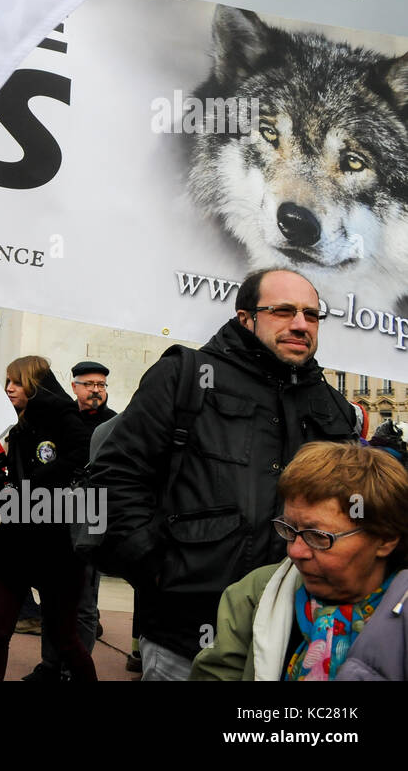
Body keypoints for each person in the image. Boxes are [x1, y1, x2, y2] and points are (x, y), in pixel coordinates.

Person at [91, 268, 357, 680]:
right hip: (188, 639)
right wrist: (158, 572)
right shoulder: (185, 375)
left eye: (312, 314)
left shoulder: (333, 406)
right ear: (245, 317)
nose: (300, 324)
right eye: (283, 311)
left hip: (300, 640)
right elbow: (112, 481)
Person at [191, 442, 408, 680]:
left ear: (385, 539)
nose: (295, 551)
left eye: (318, 536)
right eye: (289, 529)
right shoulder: (253, 595)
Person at [0, 356, 97, 682]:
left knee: (65, 640)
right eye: (7, 381)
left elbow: (83, 452)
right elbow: (15, 492)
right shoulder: (17, 421)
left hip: (56, 546)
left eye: (16, 381)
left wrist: (35, 481)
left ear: (34, 383)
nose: (9, 388)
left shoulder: (61, 414)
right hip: (15, 542)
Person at [27, 359, 116, 681]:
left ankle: (74, 668)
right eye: (89, 384)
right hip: (53, 519)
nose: (96, 390)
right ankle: (50, 664)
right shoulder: (60, 420)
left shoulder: (116, 425)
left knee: (84, 603)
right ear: (74, 386)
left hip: (91, 518)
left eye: (101, 385)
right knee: (52, 597)